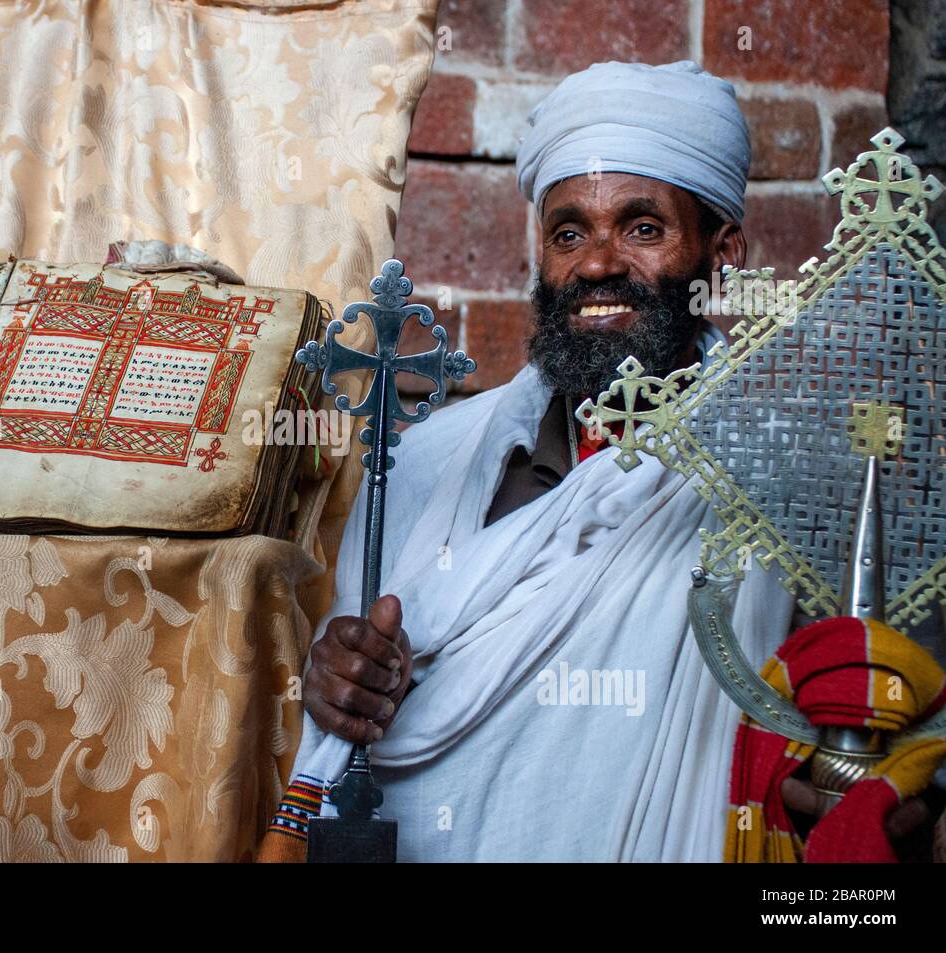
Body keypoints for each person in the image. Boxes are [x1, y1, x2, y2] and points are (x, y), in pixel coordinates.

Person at [263, 61, 944, 862]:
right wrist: (339, 678)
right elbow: (349, 719)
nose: (596, 265)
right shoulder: (428, 463)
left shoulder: (795, 481)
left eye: (643, 227)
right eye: (569, 232)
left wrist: (847, 787)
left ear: (723, 253)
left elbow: (892, 738)